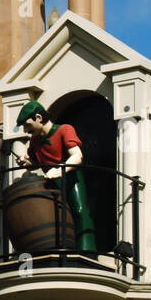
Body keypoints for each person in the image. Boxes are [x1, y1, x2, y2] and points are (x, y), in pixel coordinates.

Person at [13, 100, 97, 254]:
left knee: (79, 211)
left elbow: (77, 156)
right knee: (55, 215)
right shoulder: (35, 141)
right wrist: (25, 161)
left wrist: (59, 170)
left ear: (38, 118)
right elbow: (35, 163)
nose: (25, 130)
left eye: (27, 125)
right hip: (51, 181)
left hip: (71, 178)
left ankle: (87, 252)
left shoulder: (65, 130)